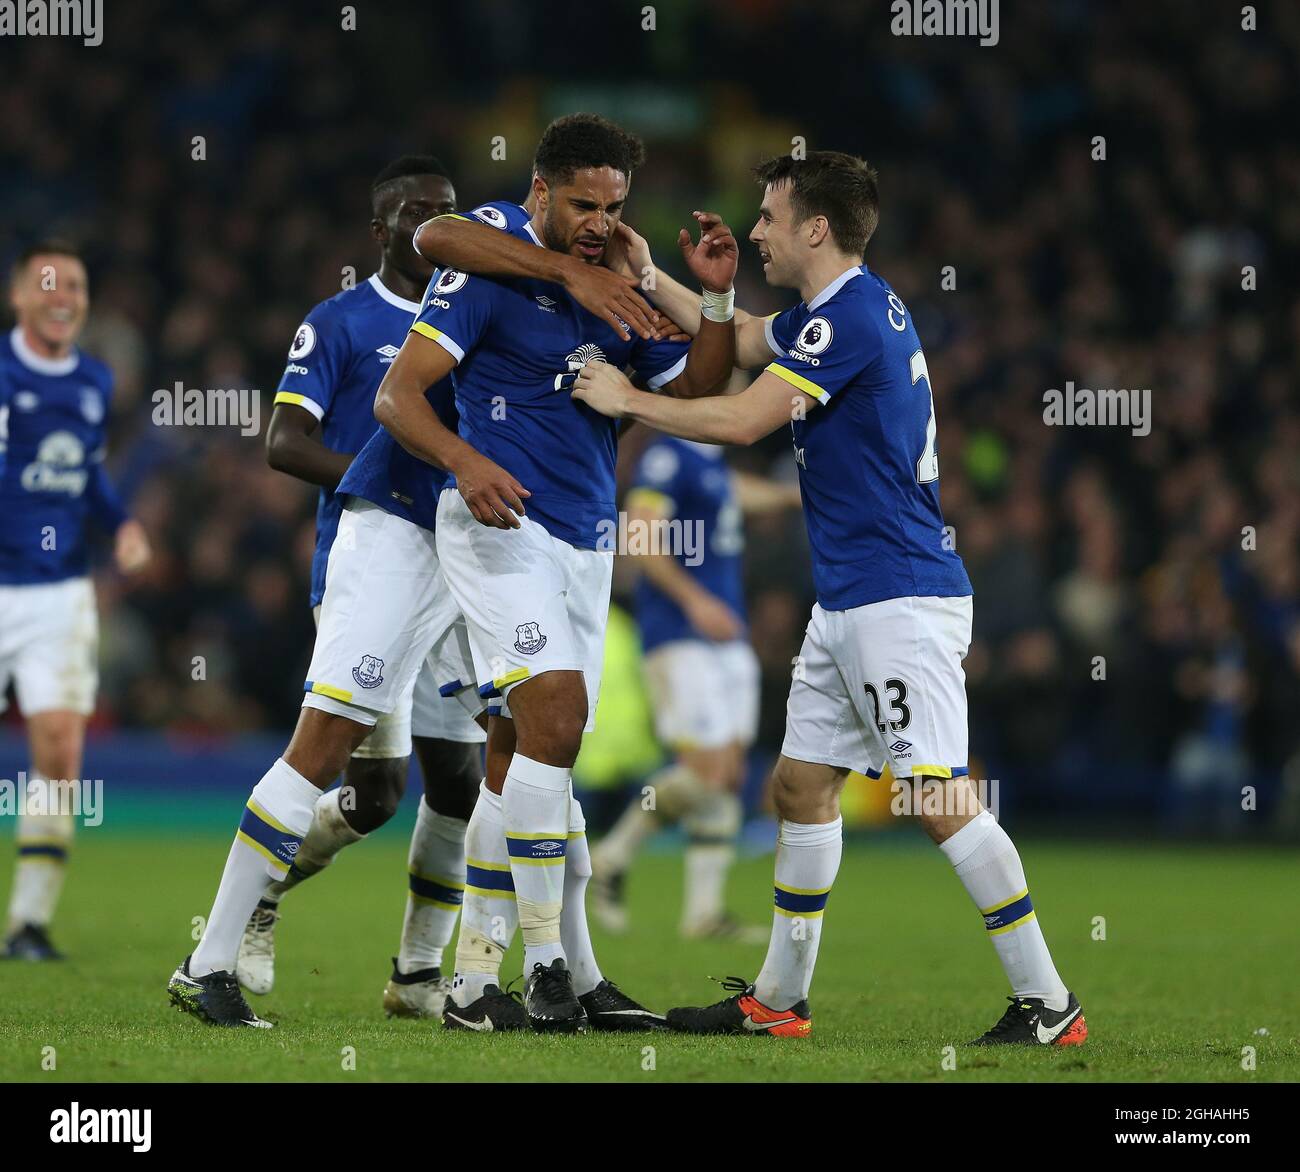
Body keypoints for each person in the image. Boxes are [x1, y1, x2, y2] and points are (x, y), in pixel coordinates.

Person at [571, 151, 1086, 1045]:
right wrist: (658, 276)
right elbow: (732, 344)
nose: (757, 229)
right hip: (851, 601)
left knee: (935, 797)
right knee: (800, 786)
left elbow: (738, 418)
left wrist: (627, 400)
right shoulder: (835, 312)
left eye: (769, 215)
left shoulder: (847, 320)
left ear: (816, 226)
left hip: (899, 597)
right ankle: (779, 999)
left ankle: (1048, 1003)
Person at [381, 112, 738, 1031]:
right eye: (582, 203)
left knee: (527, 757)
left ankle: (485, 984)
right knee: (559, 718)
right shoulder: (491, 259)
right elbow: (398, 392)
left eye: (613, 206)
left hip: (586, 541)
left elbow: (699, 385)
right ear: (540, 192)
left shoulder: (617, 281)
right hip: (500, 526)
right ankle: (549, 970)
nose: (597, 221)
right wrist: (464, 460)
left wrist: (711, 296)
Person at [238, 156, 487, 1020]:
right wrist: (393, 479)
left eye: (450, 212)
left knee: (460, 780)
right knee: (374, 794)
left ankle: (418, 976)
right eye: (419, 214)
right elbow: (283, 441)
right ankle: (260, 895)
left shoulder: (479, 314)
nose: (438, 226)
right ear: (381, 230)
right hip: (370, 569)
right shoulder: (341, 321)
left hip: (464, 578)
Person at [1, 242, 151, 961]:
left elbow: (89, 476)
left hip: (59, 593)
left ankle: (28, 923)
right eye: (49, 286)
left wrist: (120, 525)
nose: (64, 298)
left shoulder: (94, 380)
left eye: (77, 287)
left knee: (59, 755)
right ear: (19, 297)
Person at [591, 434, 800, 941]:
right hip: (682, 634)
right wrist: (693, 601)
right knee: (708, 771)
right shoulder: (668, 453)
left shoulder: (708, 458)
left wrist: (796, 492)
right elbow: (638, 536)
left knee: (726, 776)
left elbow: (733, 490)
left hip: (725, 636)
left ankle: (702, 913)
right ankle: (608, 856)